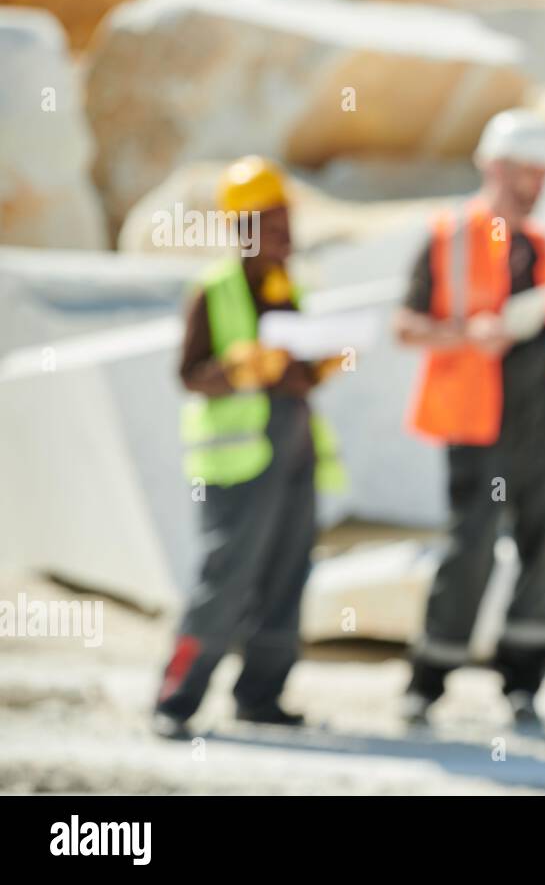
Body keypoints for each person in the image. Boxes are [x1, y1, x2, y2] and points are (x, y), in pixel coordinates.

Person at [395, 109, 545, 725]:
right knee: (469, 548)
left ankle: (522, 683)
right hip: (477, 425)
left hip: (544, 424)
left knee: (538, 551)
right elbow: (405, 325)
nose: (536, 185)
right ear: (494, 167)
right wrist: (469, 334)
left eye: (542, 175)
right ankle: (428, 680)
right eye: (526, 172)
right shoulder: (448, 236)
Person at [152, 156, 347, 740]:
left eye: (289, 221)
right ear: (245, 229)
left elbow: (295, 374)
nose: (289, 234)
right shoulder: (212, 290)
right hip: (238, 462)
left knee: (287, 575)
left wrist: (319, 366)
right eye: (276, 223)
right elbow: (188, 373)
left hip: (292, 453)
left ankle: (260, 696)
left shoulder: (289, 288)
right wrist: (237, 370)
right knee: (225, 583)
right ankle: (176, 699)